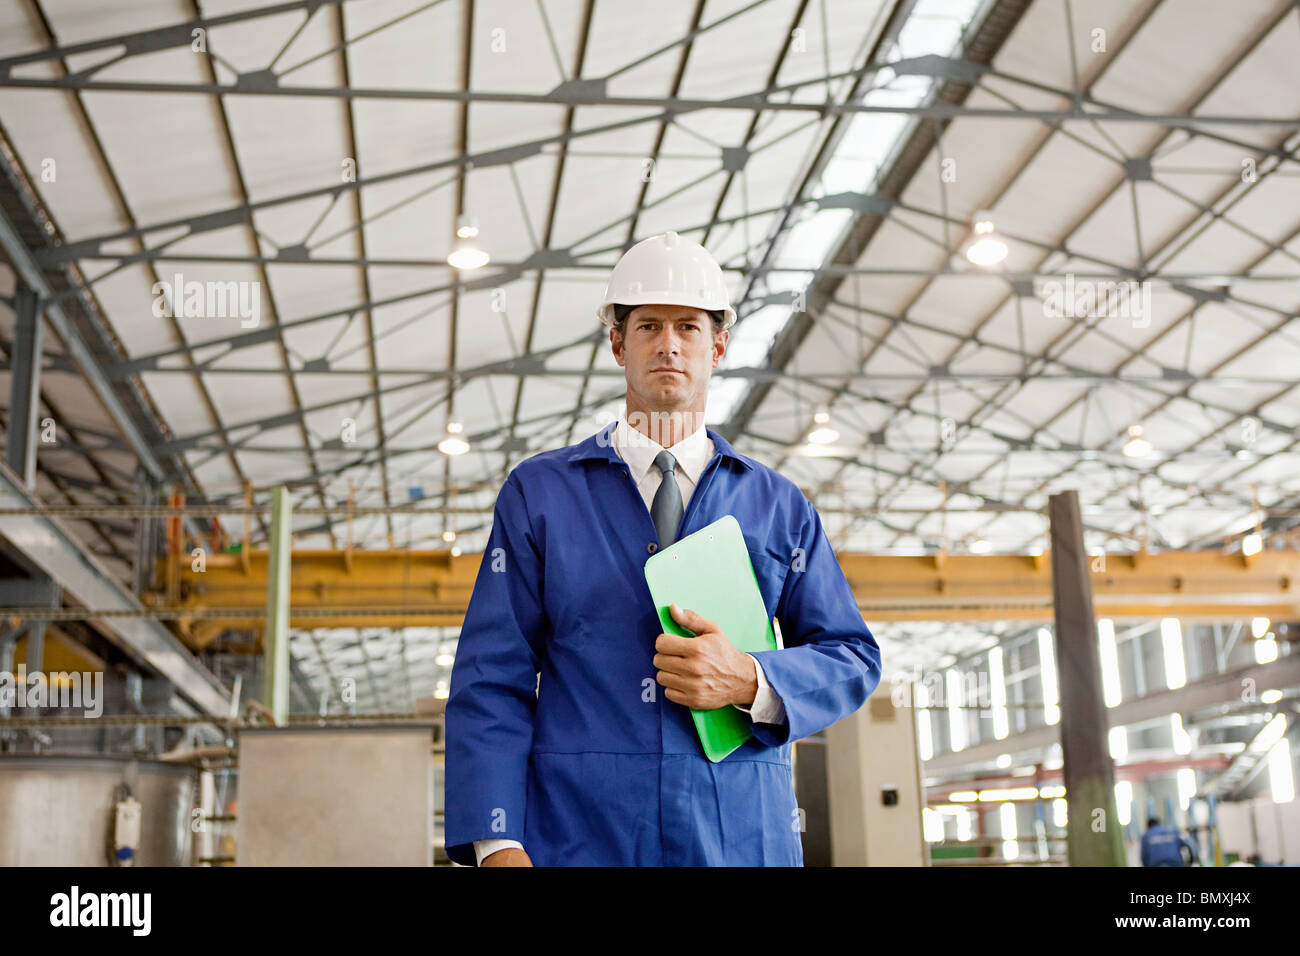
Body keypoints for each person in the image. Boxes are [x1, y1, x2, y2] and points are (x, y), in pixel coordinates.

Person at [444, 230, 882, 866]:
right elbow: (492, 677)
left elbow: (851, 655)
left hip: (737, 835)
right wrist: (497, 842)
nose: (669, 344)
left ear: (719, 345)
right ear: (618, 343)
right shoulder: (540, 495)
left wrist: (753, 679)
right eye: (648, 326)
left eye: (688, 327)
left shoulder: (779, 506)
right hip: (582, 837)